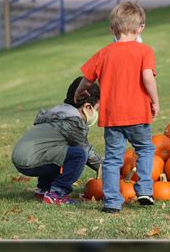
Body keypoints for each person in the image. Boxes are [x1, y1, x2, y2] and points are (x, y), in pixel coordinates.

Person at [74, 1, 159, 213]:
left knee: (112, 159)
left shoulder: (103, 53)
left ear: (112, 29)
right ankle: (145, 190)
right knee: (145, 149)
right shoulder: (144, 51)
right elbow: (147, 77)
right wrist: (155, 101)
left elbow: (86, 79)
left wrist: (78, 92)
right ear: (141, 28)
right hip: (138, 114)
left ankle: (112, 202)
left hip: (113, 117)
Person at [11, 77, 102, 205]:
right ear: (87, 107)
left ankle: (44, 189)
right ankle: (57, 194)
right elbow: (85, 150)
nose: (97, 113)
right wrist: (102, 165)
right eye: (97, 109)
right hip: (31, 159)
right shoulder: (73, 122)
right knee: (78, 154)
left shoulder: (59, 113)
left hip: (23, 156)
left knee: (61, 153)